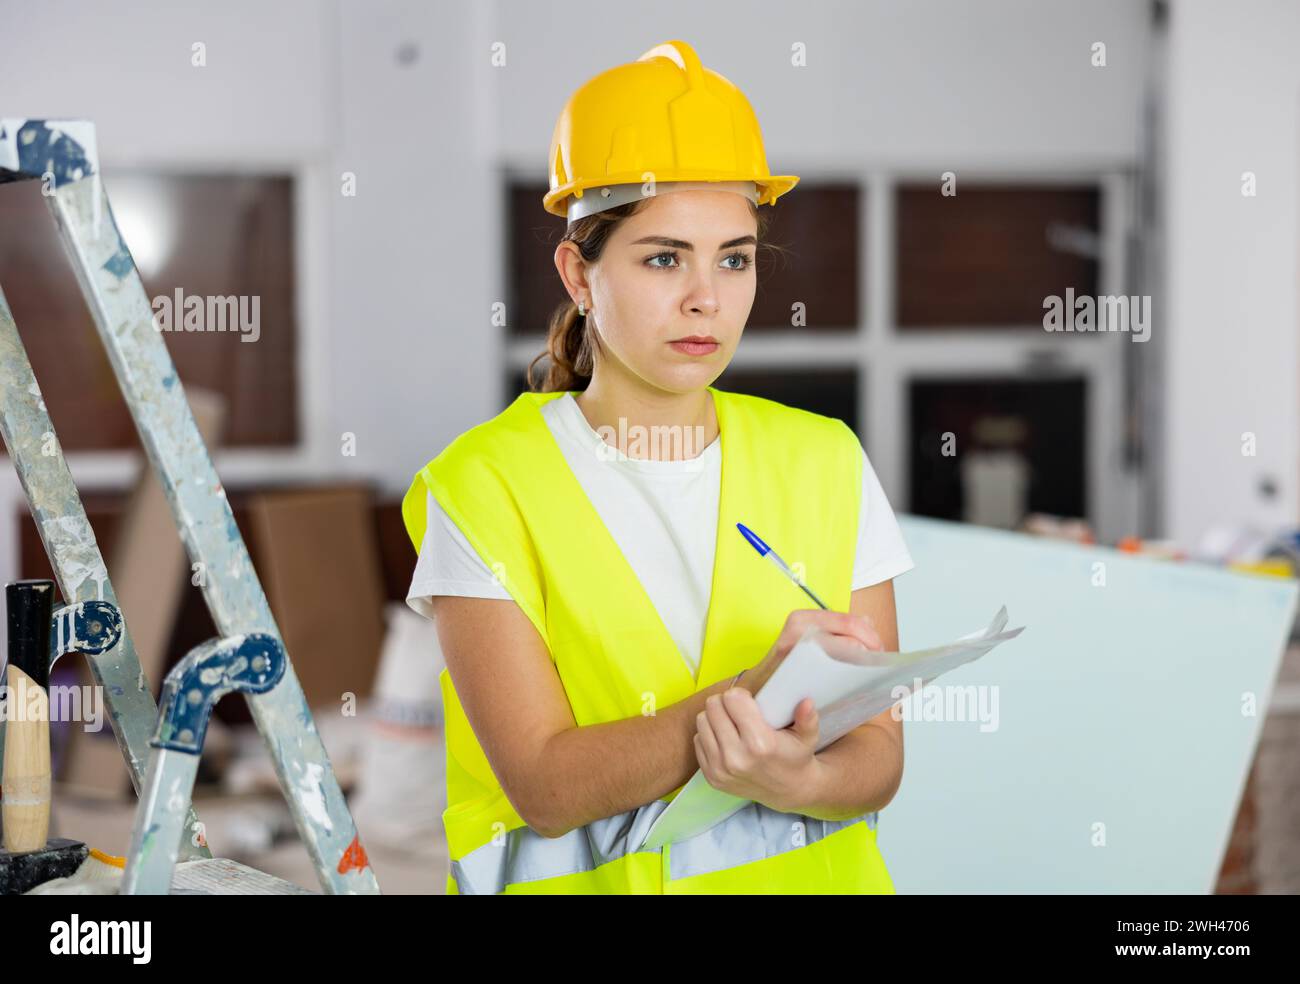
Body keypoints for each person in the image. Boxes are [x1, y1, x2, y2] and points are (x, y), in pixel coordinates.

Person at [402, 39, 914, 894]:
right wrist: (752, 701)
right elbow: (546, 785)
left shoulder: (825, 460)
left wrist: (805, 781)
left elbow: (880, 755)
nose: (707, 298)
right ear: (579, 272)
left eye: (736, 257)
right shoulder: (487, 486)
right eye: (664, 257)